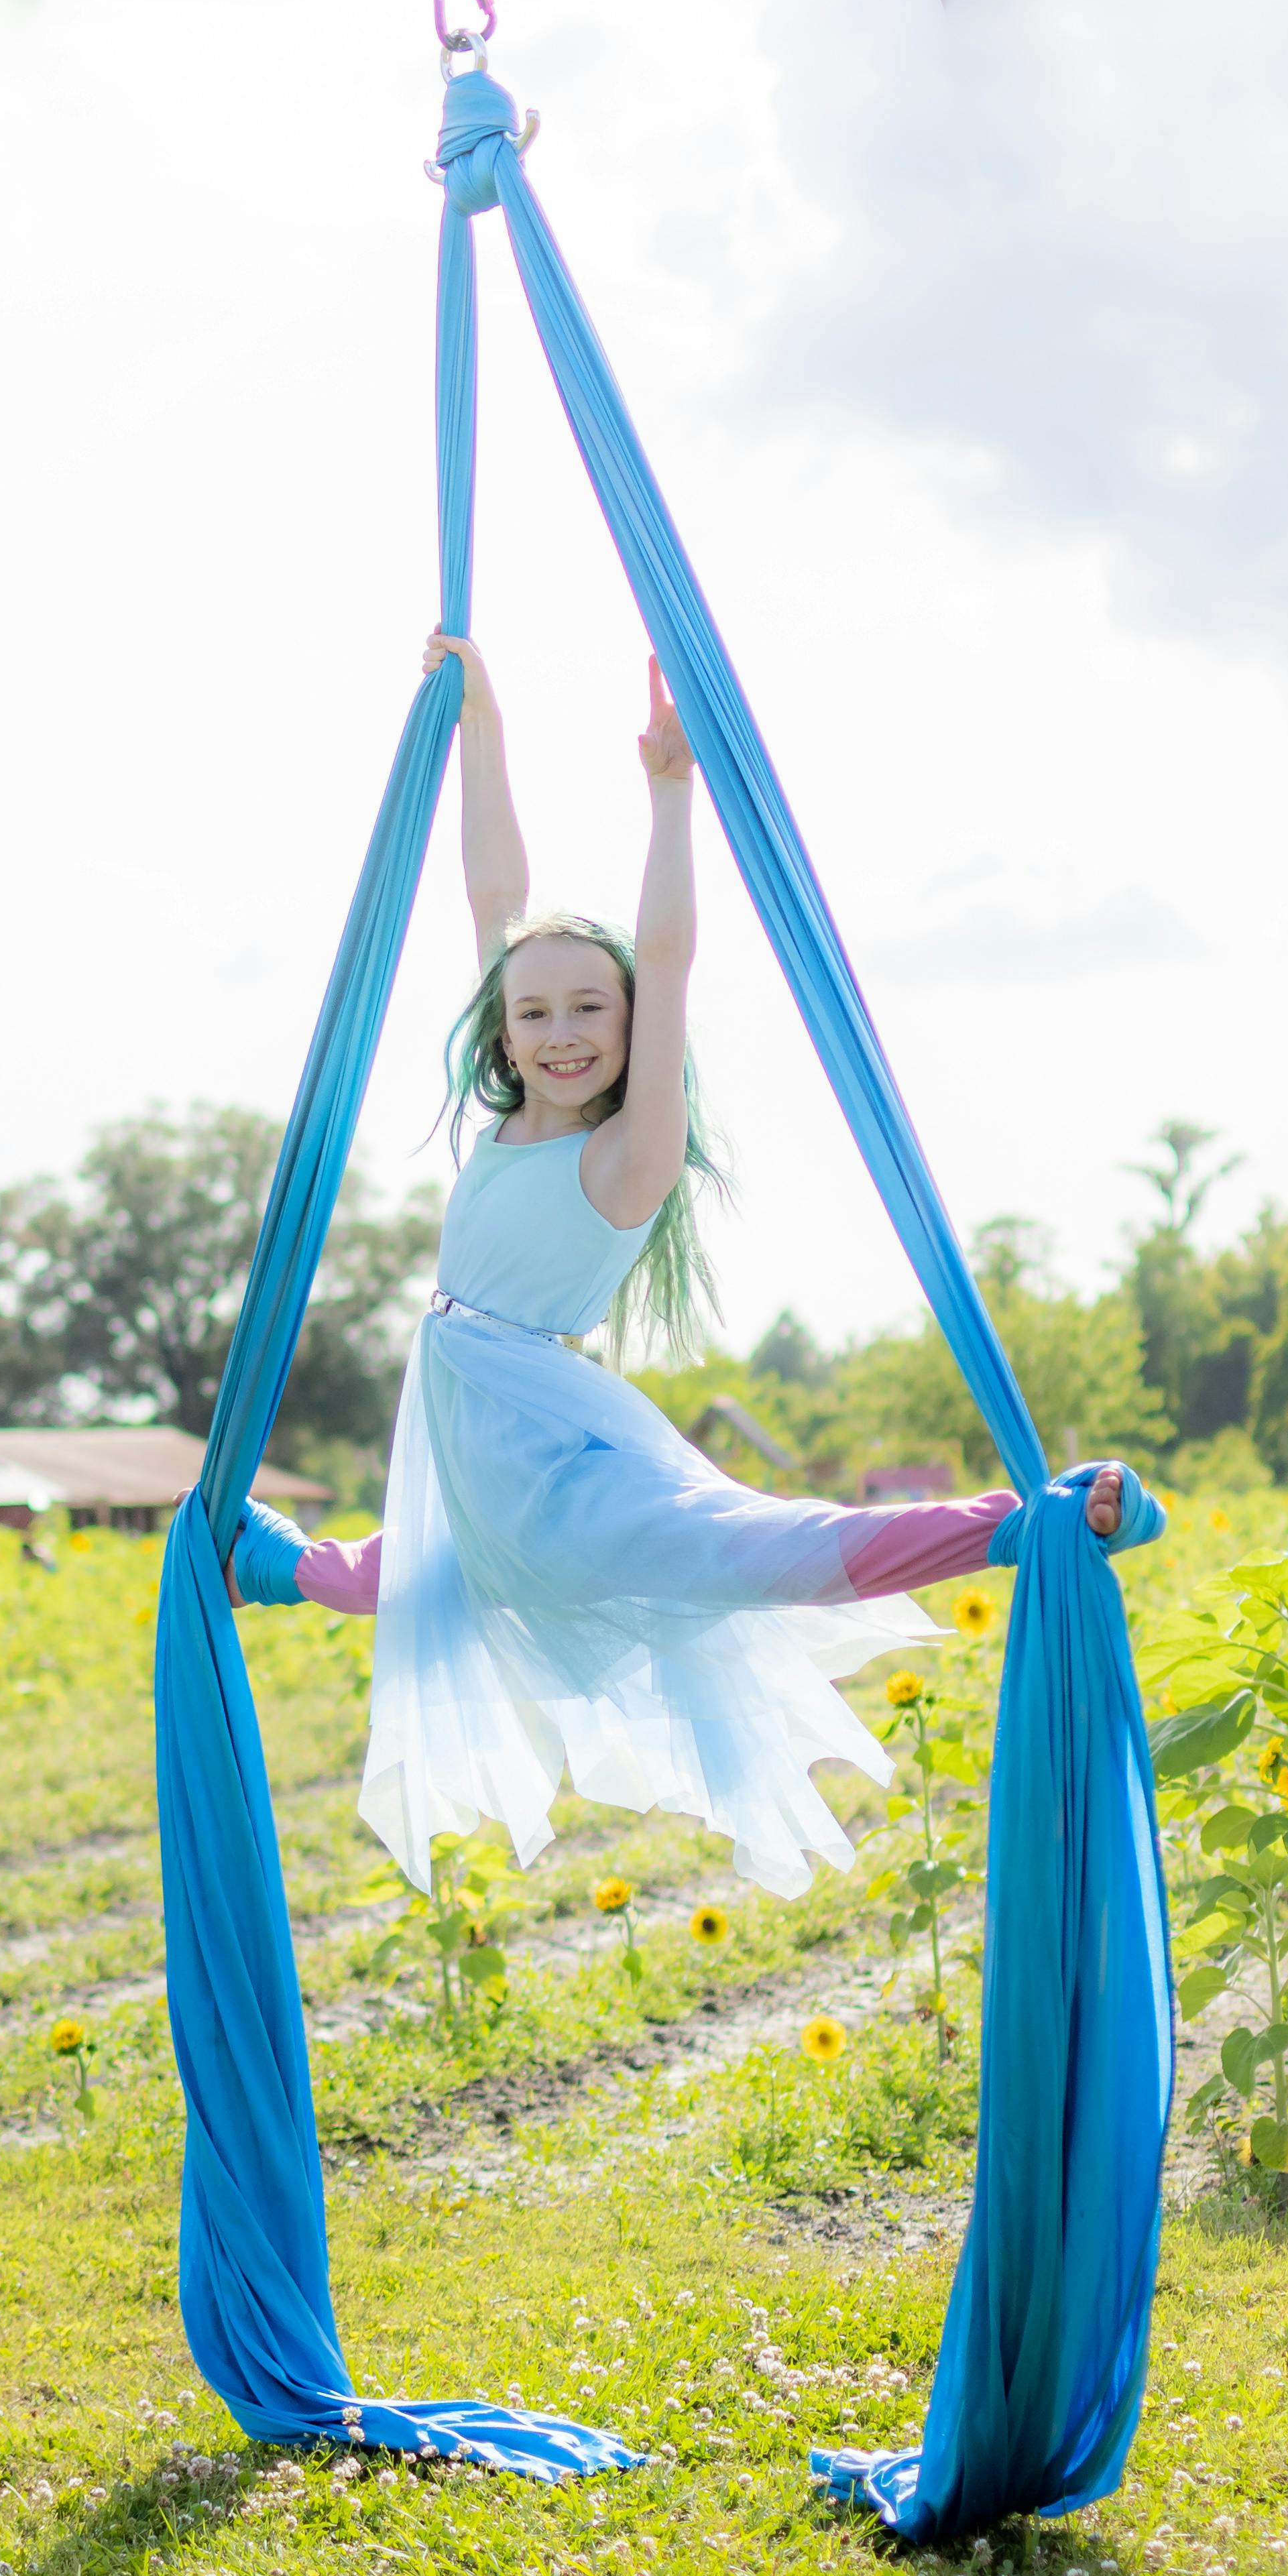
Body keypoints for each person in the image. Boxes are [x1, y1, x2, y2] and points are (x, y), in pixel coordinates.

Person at [225, 634, 1126, 1899]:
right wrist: (479, 721)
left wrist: (667, 795)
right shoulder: (511, 1117)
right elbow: (495, 892)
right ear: (502, 1025)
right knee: (412, 1575)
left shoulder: (625, 1159)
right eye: (534, 1013)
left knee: (741, 1553)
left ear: (631, 1025)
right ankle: (257, 1566)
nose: (559, 1033)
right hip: (472, 1425)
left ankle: (1022, 1525)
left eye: (590, 1008)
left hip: (537, 1449)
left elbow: (671, 955)